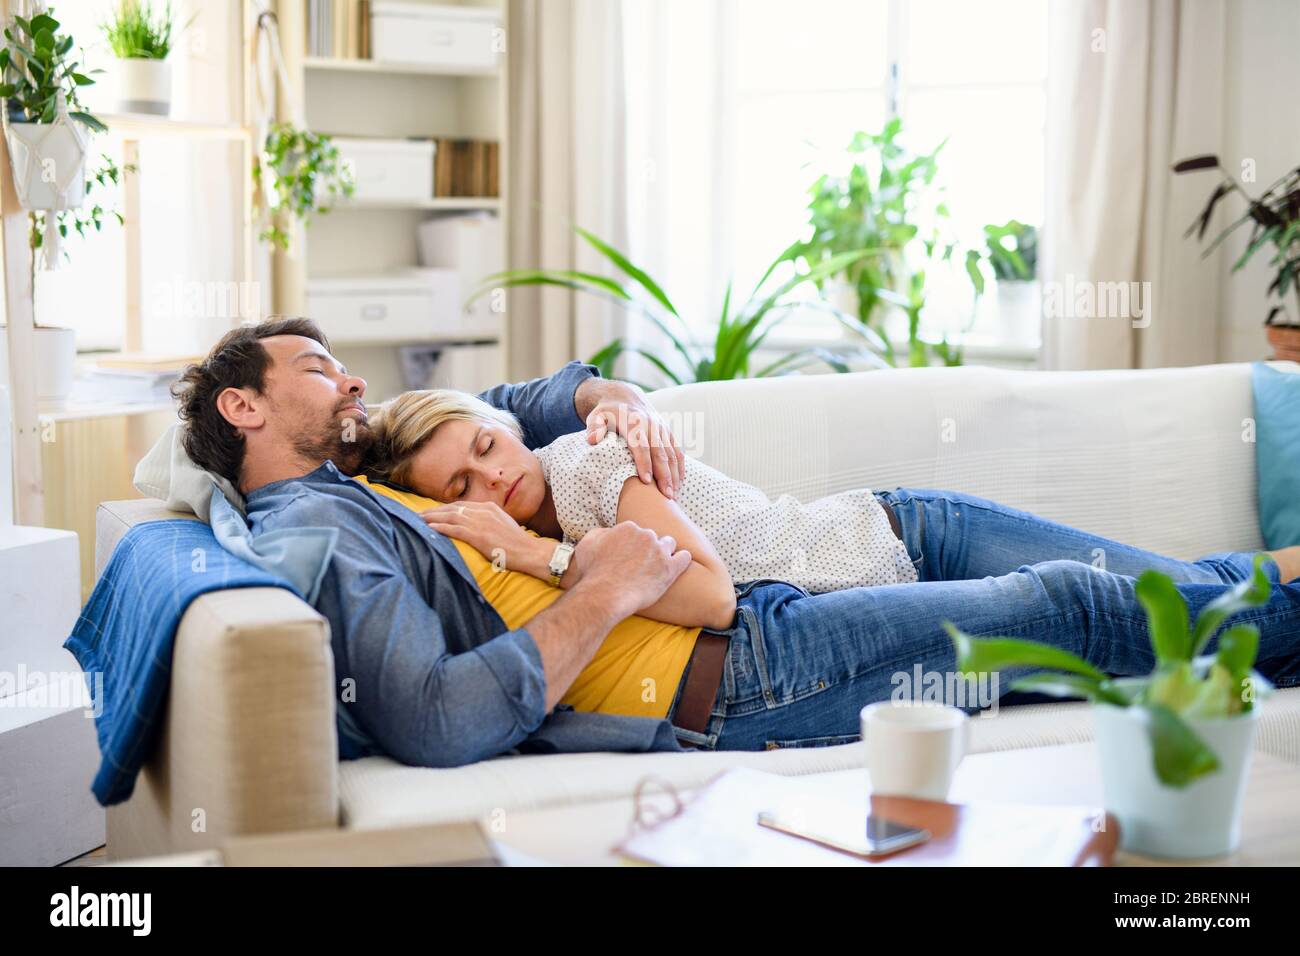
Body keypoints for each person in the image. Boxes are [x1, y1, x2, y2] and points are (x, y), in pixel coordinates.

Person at [174, 317, 1300, 763]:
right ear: (243, 409)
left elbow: (518, 403)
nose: (354, 378)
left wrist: (607, 400)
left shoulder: (365, 475)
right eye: (318, 367)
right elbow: (433, 717)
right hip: (729, 667)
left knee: (1094, 608)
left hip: (759, 621)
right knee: (1077, 607)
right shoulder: (317, 520)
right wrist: (596, 583)